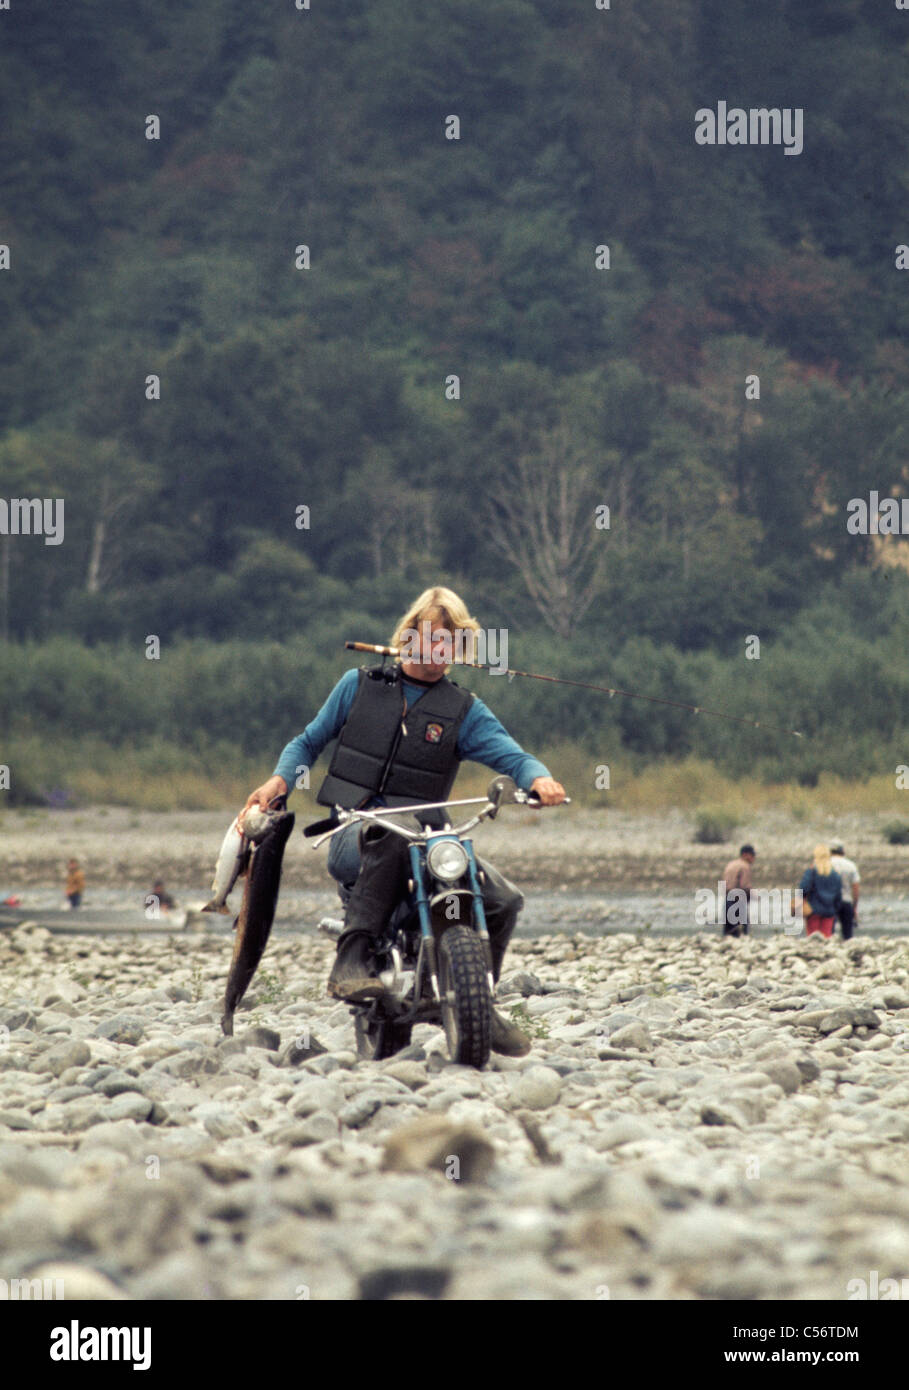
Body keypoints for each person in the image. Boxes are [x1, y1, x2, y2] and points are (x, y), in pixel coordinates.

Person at [244, 586, 567, 1056]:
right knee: (389, 839)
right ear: (408, 635)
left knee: (503, 899)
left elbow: (513, 755)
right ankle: (351, 960)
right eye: (432, 640)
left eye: (450, 646)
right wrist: (279, 782)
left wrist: (540, 779)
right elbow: (307, 743)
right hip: (353, 828)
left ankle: (483, 1001)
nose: (438, 654)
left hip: (429, 833)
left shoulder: (465, 711)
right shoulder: (357, 686)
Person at [799, 844, 842, 939]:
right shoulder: (835, 875)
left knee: (813, 939)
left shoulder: (811, 872)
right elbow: (838, 896)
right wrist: (835, 909)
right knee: (826, 938)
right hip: (829, 911)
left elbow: (804, 888)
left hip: (813, 910)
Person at [720, 844, 755, 937]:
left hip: (728, 899)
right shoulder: (744, 866)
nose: (753, 858)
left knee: (729, 931)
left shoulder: (731, 864)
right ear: (745, 855)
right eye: (752, 855)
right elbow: (745, 886)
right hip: (738, 901)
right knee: (742, 931)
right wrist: (756, 896)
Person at [830, 841, 860, 939]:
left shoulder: (826, 865)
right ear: (843, 851)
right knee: (848, 934)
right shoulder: (851, 865)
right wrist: (855, 906)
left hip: (830, 901)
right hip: (846, 901)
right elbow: (855, 888)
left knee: (829, 932)